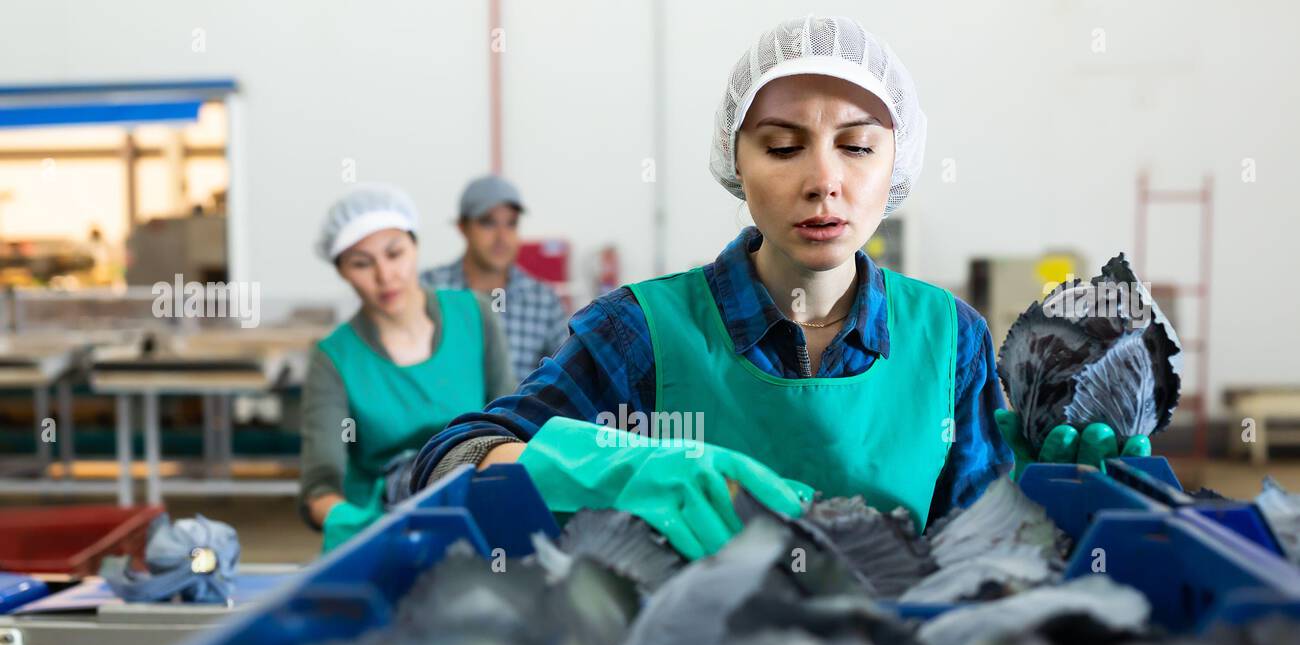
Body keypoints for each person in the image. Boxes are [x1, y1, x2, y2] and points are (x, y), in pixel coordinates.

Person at [410, 16, 1149, 561]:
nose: (823, 180)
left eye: (857, 146)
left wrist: (1057, 492)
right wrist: (609, 467)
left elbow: (977, 543)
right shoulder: (641, 332)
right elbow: (443, 467)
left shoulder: (949, 337)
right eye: (783, 145)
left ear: (897, 165)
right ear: (736, 160)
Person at [300, 184, 514, 551]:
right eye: (362, 263)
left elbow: (512, 425)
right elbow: (321, 488)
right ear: (343, 272)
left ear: (415, 248)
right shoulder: (335, 358)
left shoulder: (475, 317)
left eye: (394, 253)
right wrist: (363, 529)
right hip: (384, 525)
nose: (385, 276)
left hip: (479, 513)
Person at [420, 175, 570, 384]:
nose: (502, 237)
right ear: (462, 227)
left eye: (511, 223)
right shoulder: (429, 289)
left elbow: (565, 380)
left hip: (520, 417)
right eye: (488, 222)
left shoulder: (543, 300)